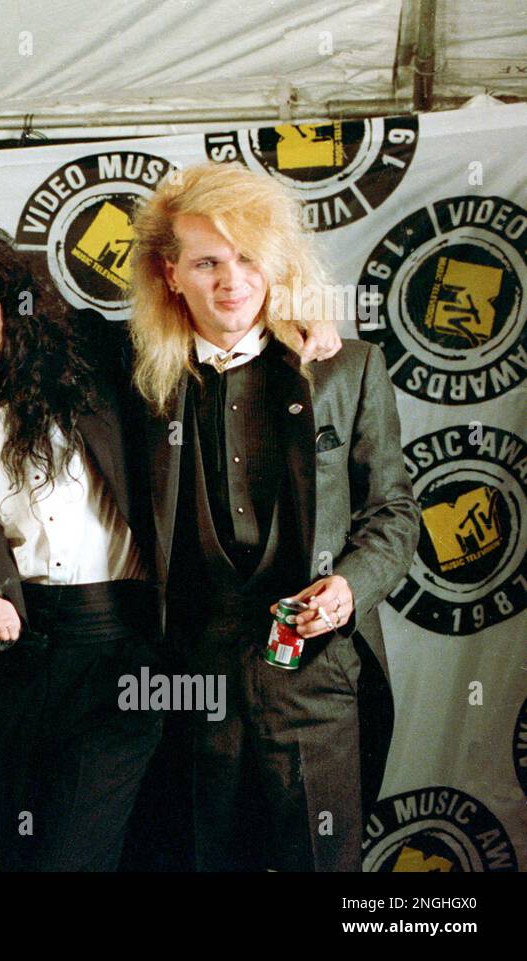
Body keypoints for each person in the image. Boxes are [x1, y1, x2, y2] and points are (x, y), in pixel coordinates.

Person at [126, 161, 420, 871]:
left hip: (317, 673)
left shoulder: (346, 367)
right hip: (191, 675)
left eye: (250, 258)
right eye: (208, 261)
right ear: (171, 273)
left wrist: (349, 585)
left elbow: (394, 511)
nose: (232, 281)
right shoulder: (138, 381)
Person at [0, 210, 164, 871]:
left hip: (125, 652)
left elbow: (203, 333)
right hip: (23, 663)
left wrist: (303, 320)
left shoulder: (92, 354)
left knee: (77, 858)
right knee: (27, 856)